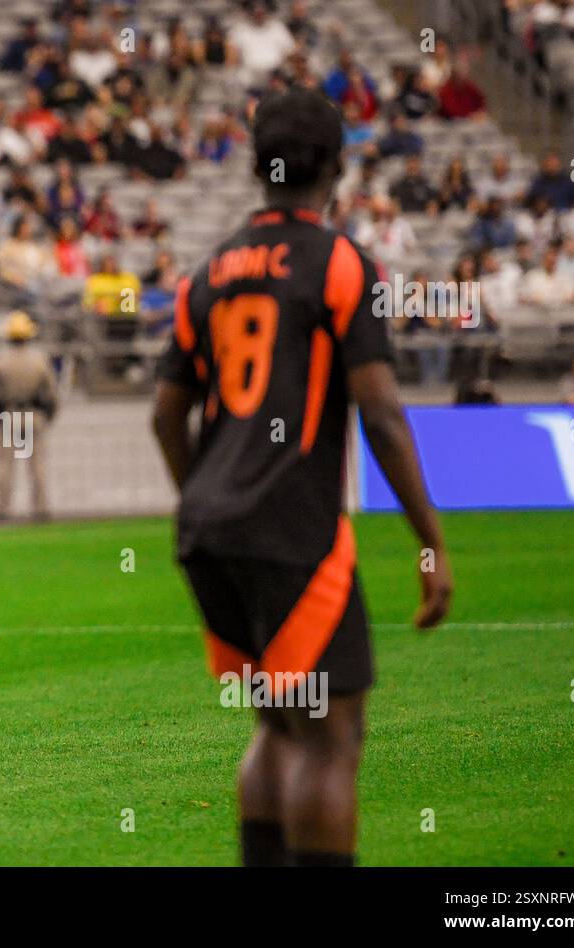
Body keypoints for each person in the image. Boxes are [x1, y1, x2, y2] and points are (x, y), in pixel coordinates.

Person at [151, 89, 452, 868]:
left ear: (258, 166)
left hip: (209, 528)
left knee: (279, 725)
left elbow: (164, 415)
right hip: (294, 529)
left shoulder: (208, 271)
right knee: (331, 736)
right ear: (339, 166)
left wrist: (205, 501)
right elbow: (380, 411)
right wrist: (430, 544)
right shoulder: (342, 262)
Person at [0, 311, 58, 521]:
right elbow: (51, 392)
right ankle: (41, 508)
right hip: (33, 414)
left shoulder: (0, 359)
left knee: (4, 465)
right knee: (37, 465)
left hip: (9, 414)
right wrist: (48, 415)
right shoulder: (39, 359)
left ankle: (2, 509)